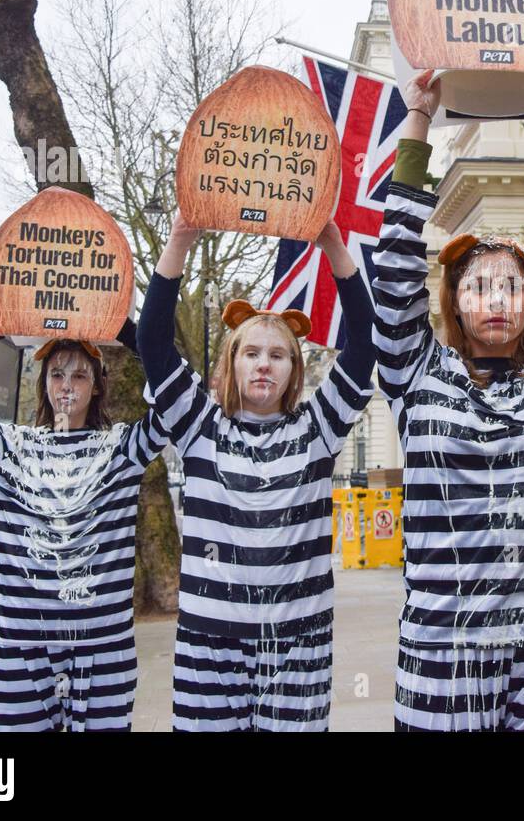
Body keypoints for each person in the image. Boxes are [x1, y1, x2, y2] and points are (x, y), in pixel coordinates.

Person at [373, 71, 524, 731]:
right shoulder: (415, 374)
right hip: (442, 660)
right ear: (453, 300)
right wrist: (418, 123)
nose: (495, 299)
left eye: (511, 286)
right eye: (477, 285)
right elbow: (394, 266)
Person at [138, 216, 375, 731]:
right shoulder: (198, 425)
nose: (263, 364)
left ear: (295, 368)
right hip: (208, 645)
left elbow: (363, 346)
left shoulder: (320, 428)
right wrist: (179, 239)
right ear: (233, 361)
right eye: (251, 353)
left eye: (277, 355)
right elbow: (153, 344)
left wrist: (335, 248)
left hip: (299, 648)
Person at [0, 319, 168, 730]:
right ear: (44, 383)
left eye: (80, 375)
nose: (67, 385)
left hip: (103, 649)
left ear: (98, 385)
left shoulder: (124, 449)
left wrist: (132, 335)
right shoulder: (5, 446)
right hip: (24, 647)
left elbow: (179, 403)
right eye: (56, 373)